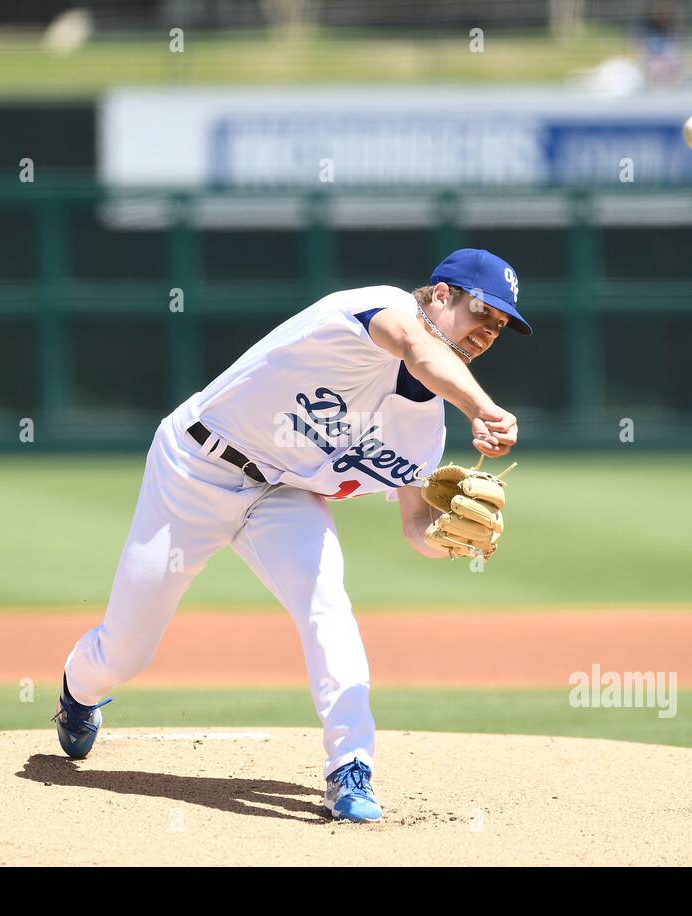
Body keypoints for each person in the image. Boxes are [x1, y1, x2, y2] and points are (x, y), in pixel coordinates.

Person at [52, 248, 528, 822]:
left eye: (501, 326)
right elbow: (416, 350)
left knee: (326, 604)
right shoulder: (379, 309)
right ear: (443, 294)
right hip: (195, 465)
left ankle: (351, 766)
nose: (489, 332)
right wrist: (483, 408)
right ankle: (78, 692)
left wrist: (450, 539)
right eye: (484, 313)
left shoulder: (425, 427)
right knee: (126, 652)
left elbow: (414, 524)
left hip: (282, 494)